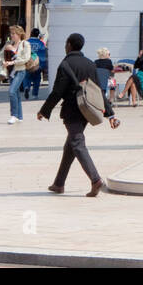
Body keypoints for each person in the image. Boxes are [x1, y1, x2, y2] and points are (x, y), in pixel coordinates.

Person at [37, 33, 119, 196]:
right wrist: (110, 114)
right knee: (71, 146)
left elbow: (57, 92)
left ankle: (95, 180)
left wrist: (44, 110)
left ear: (69, 45)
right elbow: (98, 91)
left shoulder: (65, 64)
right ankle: (59, 184)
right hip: (87, 111)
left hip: (72, 111)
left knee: (77, 143)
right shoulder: (90, 64)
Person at [6, 26, 32, 124]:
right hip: (11, 72)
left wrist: (12, 63)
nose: (12, 35)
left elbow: (26, 58)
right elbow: (1, 56)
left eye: (14, 34)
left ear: (19, 34)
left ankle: (14, 115)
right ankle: (19, 116)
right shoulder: (10, 44)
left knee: (11, 91)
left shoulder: (25, 44)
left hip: (20, 71)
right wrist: (4, 62)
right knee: (16, 93)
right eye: (11, 33)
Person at [23, 27, 45, 99]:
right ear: (38, 35)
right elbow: (43, 55)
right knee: (37, 79)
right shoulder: (41, 43)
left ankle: (26, 87)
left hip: (28, 64)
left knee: (27, 77)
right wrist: (43, 66)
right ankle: (35, 94)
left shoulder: (26, 42)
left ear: (31, 33)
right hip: (37, 64)